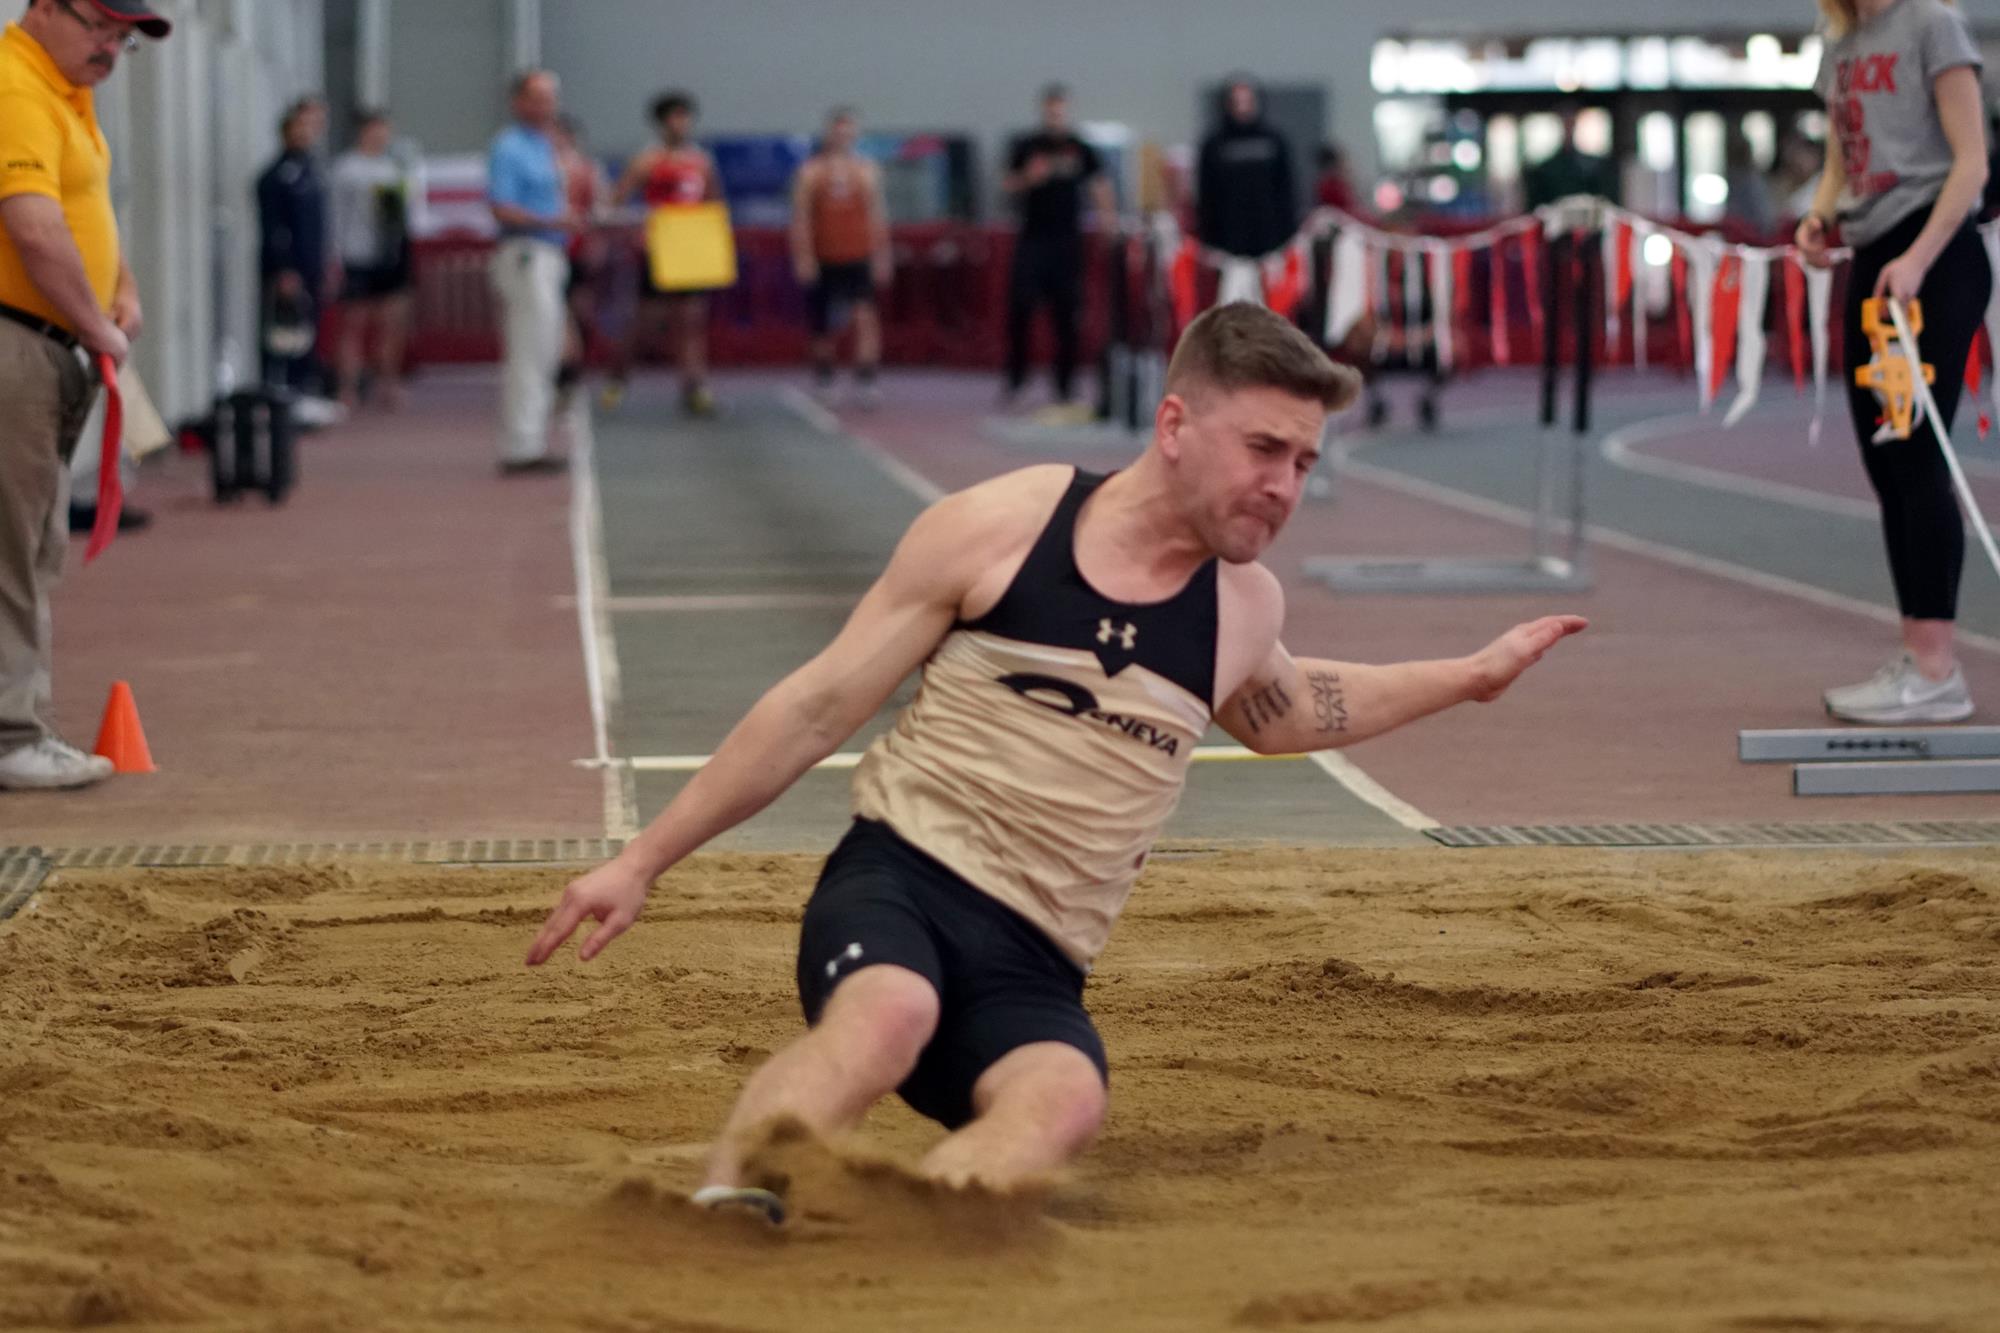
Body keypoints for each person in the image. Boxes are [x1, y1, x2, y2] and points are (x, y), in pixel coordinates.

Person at [525, 303, 1586, 1221]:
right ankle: (728, 1210)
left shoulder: (1241, 605)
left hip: (1035, 960)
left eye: (1303, 463)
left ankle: (908, 1240)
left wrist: (1469, 676)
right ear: (1174, 425)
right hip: (901, 884)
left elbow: (1289, 708)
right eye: (1265, 449)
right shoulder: (1003, 526)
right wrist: (641, 860)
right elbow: (814, 709)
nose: (1282, 486)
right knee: (890, 1014)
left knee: (1066, 1097)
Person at [1797, 0, 1989, 724]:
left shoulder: (1933, 25)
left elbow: (1971, 163)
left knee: (1915, 454)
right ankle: (1919, 658)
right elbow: (1841, 160)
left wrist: (1917, 259)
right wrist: (1819, 216)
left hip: (1932, 255)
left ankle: (1937, 669)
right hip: (1874, 252)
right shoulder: (1841, 40)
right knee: (1886, 462)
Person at [0, 0, 168, 791]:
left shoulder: (65, 93)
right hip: (17, 341)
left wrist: (119, 287)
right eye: (99, 26)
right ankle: (11, 734)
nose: (109, 48)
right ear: (43, 9)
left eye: (123, 38)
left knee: (33, 543)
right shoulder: (14, 86)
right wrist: (98, 327)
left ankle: (18, 725)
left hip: (49, 343)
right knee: (11, 549)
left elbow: (83, 210)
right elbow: (34, 228)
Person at [486, 69, 580, 476]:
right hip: (526, 253)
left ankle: (532, 438)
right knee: (529, 350)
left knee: (545, 351)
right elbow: (501, 207)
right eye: (538, 98)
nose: (546, 106)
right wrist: (553, 221)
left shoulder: (546, 145)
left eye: (550, 98)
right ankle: (521, 446)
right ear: (518, 102)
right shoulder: (509, 147)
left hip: (550, 252)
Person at [609, 91, 724, 418]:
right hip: (659, 248)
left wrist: (712, 246)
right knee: (647, 322)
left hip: (690, 249)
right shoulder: (648, 160)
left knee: (691, 319)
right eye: (674, 117)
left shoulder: (701, 162)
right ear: (662, 123)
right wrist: (638, 227)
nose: (680, 124)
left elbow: (713, 205)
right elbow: (617, 199)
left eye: (685, 117)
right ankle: (618, 378)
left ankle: (694, 387)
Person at [1002, 84, 1113, 417]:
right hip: (1033, 239)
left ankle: (1064, 385)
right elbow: (1007, 184)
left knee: (1067, 314)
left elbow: (1100, 185)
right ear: (1043, 111)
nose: (1055, 116)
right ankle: (1017, 379)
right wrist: (1030, 177)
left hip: (1067, 242)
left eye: (1060, 111)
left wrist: (1107, 221)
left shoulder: (1081, 149)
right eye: (1051, 111)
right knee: (1021, 306)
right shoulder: (1027, 146)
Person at [790, 106, 892, 407]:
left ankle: (866, 379)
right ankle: (825, 377)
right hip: (824, 256)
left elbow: (877, 215)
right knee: (823, 323)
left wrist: (882, 255)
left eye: (849, 131)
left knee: (865, 317)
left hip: (859, 254)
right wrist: (804, 257)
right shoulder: (811, 172)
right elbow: (801, 218)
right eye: (838, 131)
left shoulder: (866, 170)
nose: (843, 136)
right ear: (829, 133)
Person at [257, 95, 344, 427]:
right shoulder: (277, 176)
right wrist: (284, 269)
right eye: (301, 126)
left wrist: (327, 262)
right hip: (288, 270)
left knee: (307, 330)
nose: (308, 132)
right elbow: (274, 228)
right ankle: (283, 396)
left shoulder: (312, 172)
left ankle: (304, 391)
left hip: (312, 266)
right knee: (284, 335)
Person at [329, 108, 417, 412]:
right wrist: (336, 254)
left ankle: (387, 382)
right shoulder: (346, 169)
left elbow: (398, 216)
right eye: (376, 130)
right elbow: (336, 214)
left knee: (391, 322)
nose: (381, 136)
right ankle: (347, 386)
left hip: (388, 254)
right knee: (354, 323)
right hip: (356, 254)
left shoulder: (392, 169)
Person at [1196, 77, 1297, 261]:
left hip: (1269, 243)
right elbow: (1206, 194)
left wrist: (1287, 236)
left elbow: (1286, 189)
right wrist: (1209, 240)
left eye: (1247, 101)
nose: (1242, 107)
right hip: (1227, 245)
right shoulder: (1214, 144)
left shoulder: (1274, 141)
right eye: (1237, 101)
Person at [553, 114, 610, 410]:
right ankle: (563, 375)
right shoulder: (544, 169)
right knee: (559, 314)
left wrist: (597, 243)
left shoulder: (588, 170)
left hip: (578, 250)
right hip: (552, 249)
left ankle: (572, 371)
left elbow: (600, 209)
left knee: (580, 311)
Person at [1522, 104, 1617, 210]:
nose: (1568, 127)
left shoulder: (1593, 166)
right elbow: (1537, 206)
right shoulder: (1544, 169)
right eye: (1565, 123)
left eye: (1571, 123)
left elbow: (1602, 200)